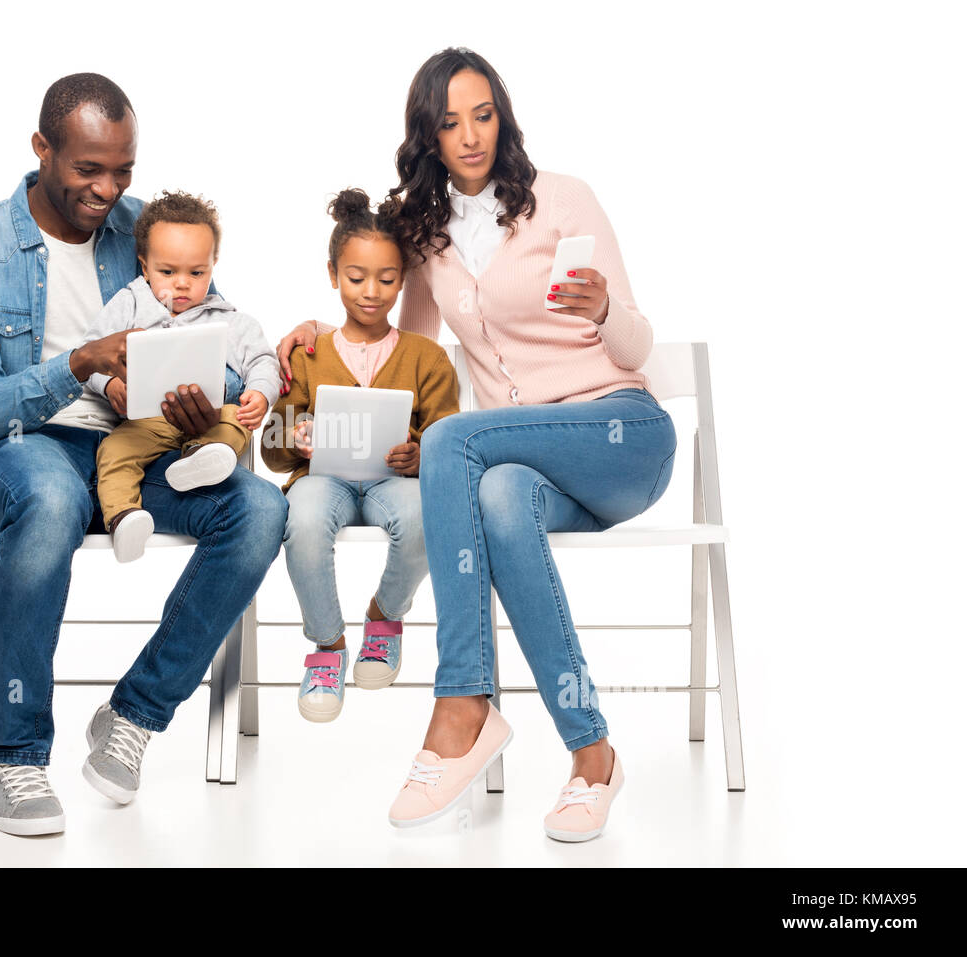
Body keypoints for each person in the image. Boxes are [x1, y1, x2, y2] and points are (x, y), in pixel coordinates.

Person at [275, 49, 677, 841]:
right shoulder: (422, 237)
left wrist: (600, 309)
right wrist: (324, 334)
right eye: (450, 121)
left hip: (620, 436)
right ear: (425, 133)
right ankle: (592, 755)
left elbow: (636, 345)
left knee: (458, 440)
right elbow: (400, 359)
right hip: (525, 468)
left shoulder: (564, 200)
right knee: (494, 494)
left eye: (483, 114)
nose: (470, 136)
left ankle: (463, 700)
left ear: (504, 116)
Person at [0, 73, 286, 837]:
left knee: (261, 508)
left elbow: (216, 329)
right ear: (41, 149)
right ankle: (16, 751)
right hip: (27, 453)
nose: (108, 188)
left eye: (123, 169)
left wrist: (202, 388)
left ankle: (132, 714)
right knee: (53, 501)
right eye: (88, 168)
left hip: (145, 446)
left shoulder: (146, 228)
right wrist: (78, 362)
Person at [261, 189, 459, 722]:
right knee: (300, 520)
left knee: (423, 519)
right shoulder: (306, 354)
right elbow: (273, 449)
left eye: (387, 280)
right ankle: (327, 648)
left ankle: (385, 615)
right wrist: (294, 437)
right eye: (356, 278)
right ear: (333, 275)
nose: (371, 292)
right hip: (322, 478)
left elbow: (449, 439)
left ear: (403, 280)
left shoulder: (427, 357)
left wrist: (421, 455)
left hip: (394, 482)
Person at [85, 190, 280, 563]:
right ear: (144, 266)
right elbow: (90, 352)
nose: (182, 284)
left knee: (235, 418)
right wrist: (109, 384)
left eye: (197, 272)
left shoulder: (229, 319)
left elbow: (263, 361)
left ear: (213, 265)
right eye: (167, 272)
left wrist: (260, 393)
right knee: (113, 451)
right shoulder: (130, 303)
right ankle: (124, 518)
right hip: (147, 422)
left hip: (207, 426)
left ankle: (202, 460)